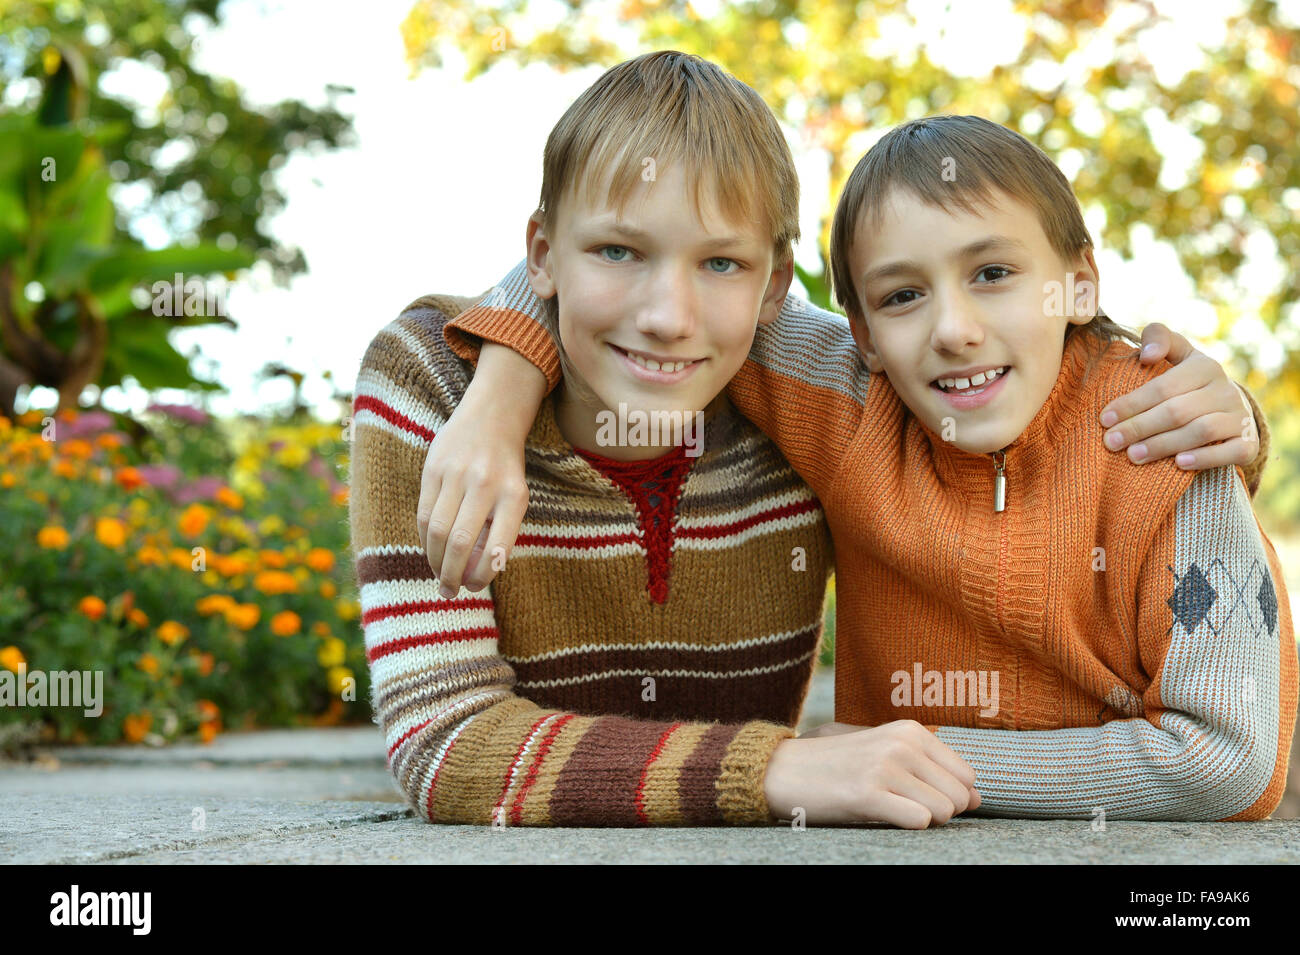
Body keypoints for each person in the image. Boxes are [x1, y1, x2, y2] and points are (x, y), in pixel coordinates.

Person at [364, 53, 1272, 827]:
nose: (670, 315)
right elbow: (597, 262)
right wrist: (500, 386)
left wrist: (1233, 416)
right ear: (863, 331)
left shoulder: (1154, 436)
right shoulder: (832, 389)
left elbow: (1228, 759)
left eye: (993, 273)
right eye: (903, 294)